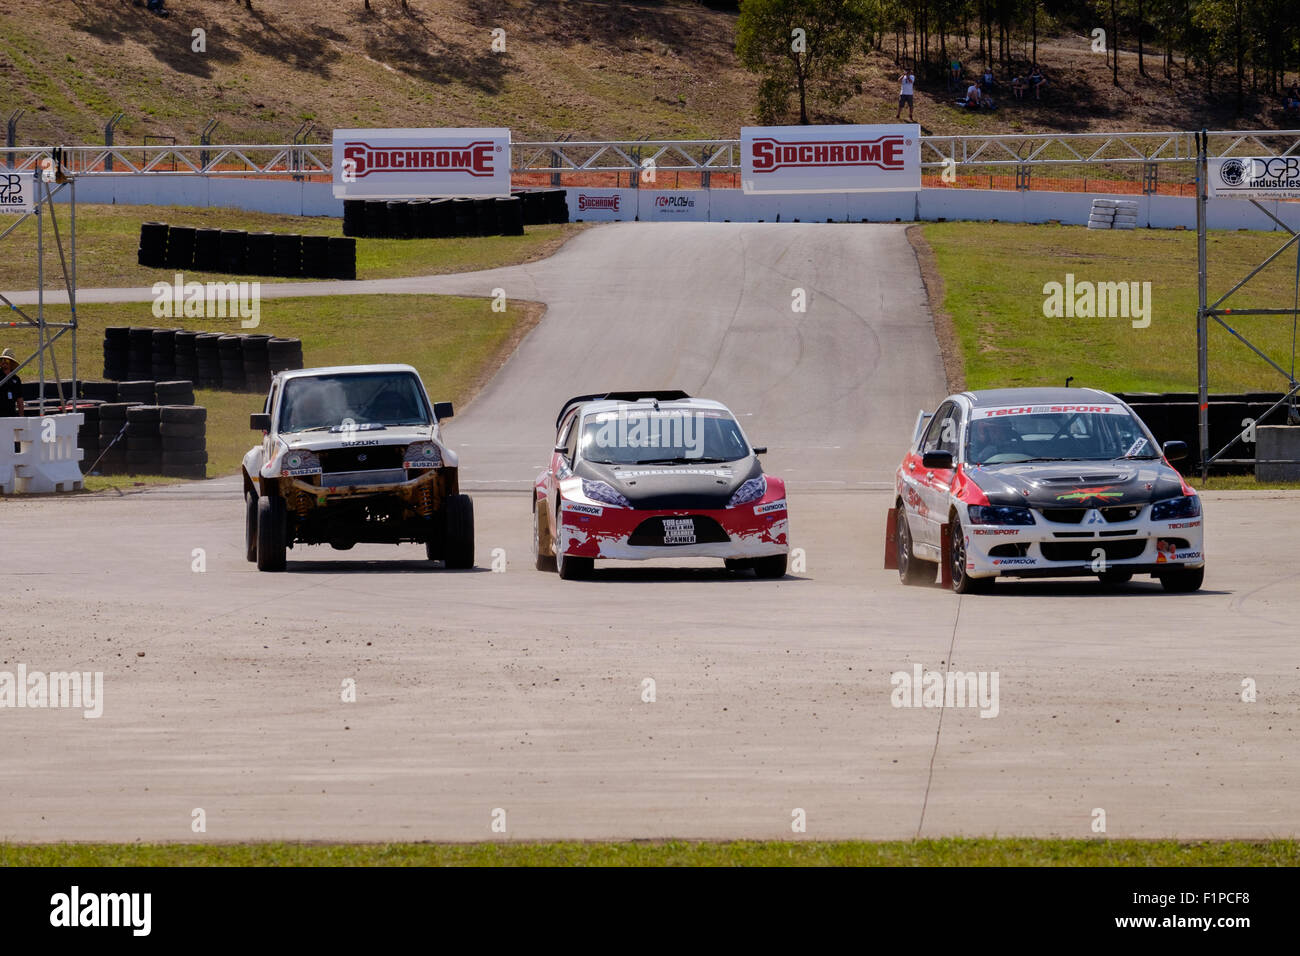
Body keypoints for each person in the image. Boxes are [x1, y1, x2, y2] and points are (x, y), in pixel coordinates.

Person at [0, 348, 24, 454]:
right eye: (3, 360)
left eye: (7, 361)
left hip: (10, 413)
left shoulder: (16, 379)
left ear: (11, 363)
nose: (4, 363)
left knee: (12, 439)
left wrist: (21, 415)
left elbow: (19, 398)